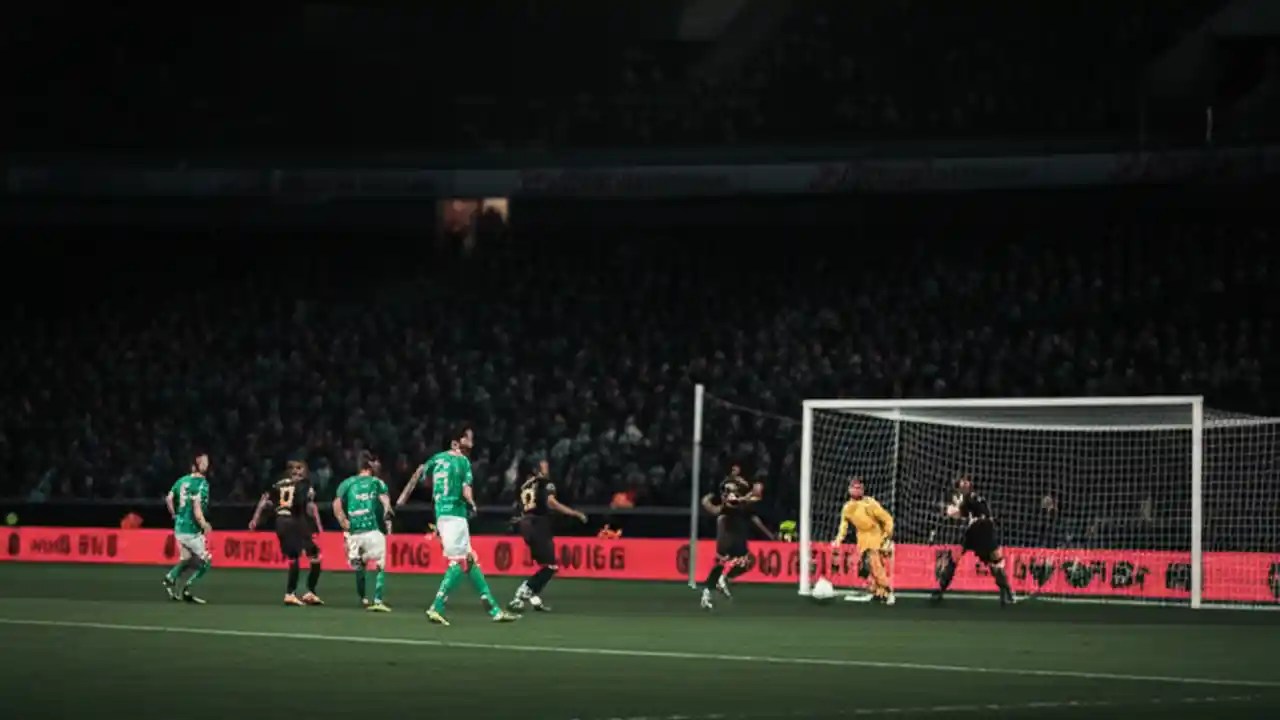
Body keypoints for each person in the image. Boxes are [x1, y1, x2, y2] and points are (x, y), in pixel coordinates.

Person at [397, 423, 517, 625]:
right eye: (468, 437)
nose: (472, 441)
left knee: (469, 560)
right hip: (456, 515)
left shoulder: (437, 459)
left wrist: (402, 498)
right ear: (456, 442)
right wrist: (471, 502)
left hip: (442, 515)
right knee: (460, 562)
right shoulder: (462, 461)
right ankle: (437, 606)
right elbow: (466, 488)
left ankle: (494, 608)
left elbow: (419, 473)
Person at [509, 458, 587, 613]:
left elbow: (520, 507)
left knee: (545, 564)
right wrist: (574, 513)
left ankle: (534, 599)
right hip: (539, 525)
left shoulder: (524, 485)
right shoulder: (545, 483)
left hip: (526, 525)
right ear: (539, 469)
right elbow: (551, 502)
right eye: (545, 466)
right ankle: (521, 594)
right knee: (551, 566)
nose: (547, 468)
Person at [249, 460, 325, 606]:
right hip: (295, 521)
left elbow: (265, 501)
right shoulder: (304, 484)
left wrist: (255, 519)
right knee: (304, 556)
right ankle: (293, 593)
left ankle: (308, 593)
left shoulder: (277, 485)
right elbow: (309, 505)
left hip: (281, 521)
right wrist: (318, 524)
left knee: (310, 555)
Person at [934, 475, 1014, 605]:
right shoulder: (969, 500)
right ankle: (940, 590)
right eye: (961, 482)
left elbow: (963, 512)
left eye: (965, 481)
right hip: (977, 531)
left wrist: (949, 509)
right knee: (957, 558)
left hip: (983, 529)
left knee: (995, 564)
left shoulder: (972, 498)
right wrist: (949, 510)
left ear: (970, 484)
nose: (962, 484)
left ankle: (1007, 591)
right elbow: (962, 514)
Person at [698, 464, 767, 610]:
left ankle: (708, 592)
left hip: (731, 523)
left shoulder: (738, 484)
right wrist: (748, 497)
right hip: (728, 525)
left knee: (724, 562)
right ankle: (721, 581)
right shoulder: (730, 485)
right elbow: (731, 502)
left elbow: (749, 504)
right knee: (741, 560)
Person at [333, 450, 394, 612]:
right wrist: (388, 508)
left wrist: (342, 519)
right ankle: (378, 600)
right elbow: (384, 498)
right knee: (381, 562)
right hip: (371, 530)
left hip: (353, 532)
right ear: (369, 466)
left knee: (360, 566)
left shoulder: (347, 483)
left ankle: (363, 597)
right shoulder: (376, 482)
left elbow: (337, 503)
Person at [830, 477, 895, 605]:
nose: (856, 490)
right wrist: (838, 540)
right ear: (849, 489)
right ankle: (879, 593)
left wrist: (887, 536)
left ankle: (889, 592)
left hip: (876, 536)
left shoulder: (870, 503)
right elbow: (843, 526)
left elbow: (887, 518)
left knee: (875, 566)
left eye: (859, 488)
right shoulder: (847, 507)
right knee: (866, 569)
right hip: (862, 539)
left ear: (863, 490)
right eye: (854, 487)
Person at [162, 453, 213, 604]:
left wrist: (174, 515)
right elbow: (197, 508)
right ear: (197, 465)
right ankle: (187, 589)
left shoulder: (182, 480)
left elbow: (169, 498)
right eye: (204, 461)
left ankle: (169, 579)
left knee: (187, 559)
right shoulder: (202, 483)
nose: (207, 464)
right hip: (191, 530)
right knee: (206, 560)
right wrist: (204, 524)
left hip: (179, 528)